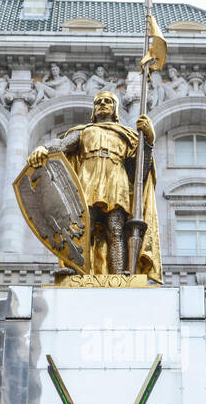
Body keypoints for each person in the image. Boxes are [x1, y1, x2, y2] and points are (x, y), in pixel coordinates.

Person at [26, 91, 161, 281]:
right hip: (88, 179)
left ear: (115, 109)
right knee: (83, 227)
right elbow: (62, 144)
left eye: (108, 102)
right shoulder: (85, 131)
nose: (103, 104)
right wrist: (44, 149)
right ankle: (76, 268)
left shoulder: (126, 135)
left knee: (115, 228)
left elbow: (141, 168)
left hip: (116, 181)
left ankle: (119, 273)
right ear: (94, 109)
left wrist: (149, 140)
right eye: (99, 102)